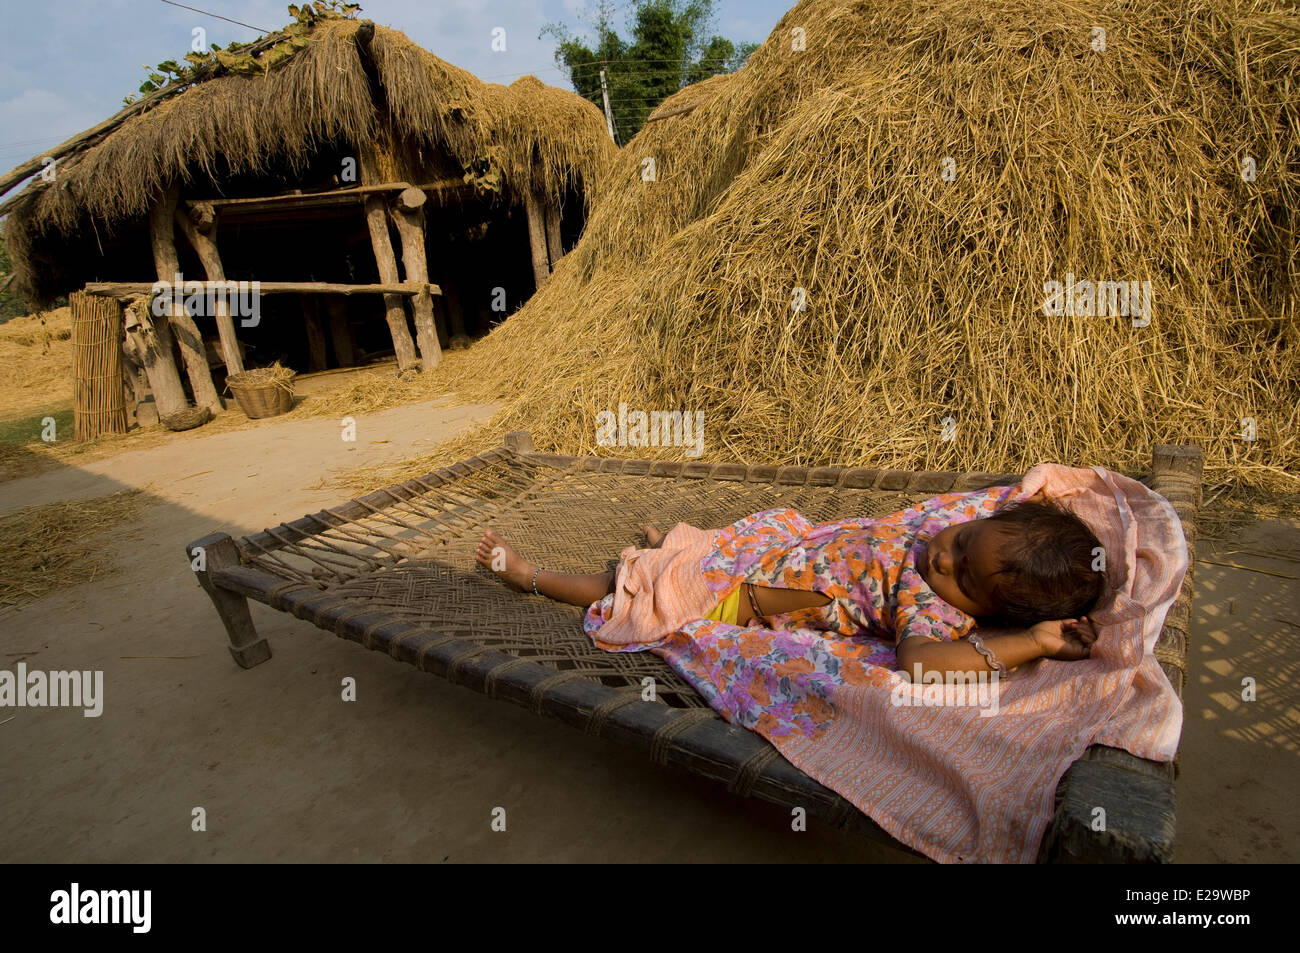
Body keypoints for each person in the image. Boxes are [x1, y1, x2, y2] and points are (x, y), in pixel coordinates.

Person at [475, 486, 1106, 681]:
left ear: (989, 610)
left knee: (626, 589)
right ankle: (665, 547)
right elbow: (1018, 496)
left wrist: (1036, 642)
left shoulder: (931, 610)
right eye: (962, 546)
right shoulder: (954, 525)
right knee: (684, 552)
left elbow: (924, 663)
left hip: (738, 599)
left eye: (965, 578)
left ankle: (529, 575)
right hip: (771, 549)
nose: (945, 561)